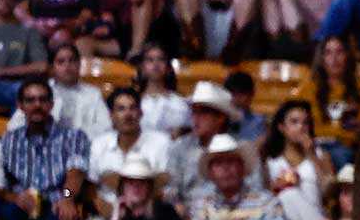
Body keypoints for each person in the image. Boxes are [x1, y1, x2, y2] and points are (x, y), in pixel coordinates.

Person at [0, 76, 96, 220]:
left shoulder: (72, 137)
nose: (37, 105)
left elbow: (75, 174)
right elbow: (0, 184)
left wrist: (67, 198)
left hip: (56, 204)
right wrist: (15, 198)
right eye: (30, 100)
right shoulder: (9, 140)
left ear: (51, 104)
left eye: (43, 99)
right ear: (20, 106)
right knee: (8, 214)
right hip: (21, 206)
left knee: (66, 219)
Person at [294, 33, 360, 168]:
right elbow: (294, 120)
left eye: (339, 52)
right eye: (328, 53)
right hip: (315, 146)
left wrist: (359, 128)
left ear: (347, 56)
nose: (334, 59)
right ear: (321, 58)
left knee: (342, 155)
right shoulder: (307, 87)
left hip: (348, 148)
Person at [6, 41, 109, 144]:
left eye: (72, 61)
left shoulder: (93, 93)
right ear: (52, 67)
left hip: (83, 146)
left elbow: (106, 126)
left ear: (79, 64)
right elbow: (13, 126)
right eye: (61, 62)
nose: (67, 66)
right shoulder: (40, 92)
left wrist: (75, 138)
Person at [165, 79, 250, 204]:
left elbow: (253, 189)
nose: (195, 118)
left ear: (220, 118)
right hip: (188, 215)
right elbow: (170, 188)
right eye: (194, 111)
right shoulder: (180, 147)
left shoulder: (241, 149)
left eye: (203, 112)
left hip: (234, 213)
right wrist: (177, 206)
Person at [259, 98, 329, 220]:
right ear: (282, 127)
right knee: (287, 195)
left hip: (316, 218)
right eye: (295, 122)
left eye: (305, 123)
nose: (301, 128)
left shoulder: (320, 155)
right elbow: (261, 197)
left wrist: (311, 155)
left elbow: (329, 190)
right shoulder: (270, 159)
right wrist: (276, 187)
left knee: (289, 195)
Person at [89, 83, 168, 211]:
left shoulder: (161, 142)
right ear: (111, 116)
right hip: (108, 212)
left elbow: (165, 182)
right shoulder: (99, 144)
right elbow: (88, 186)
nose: (128, 114)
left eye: (133, 108)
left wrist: (114, 181)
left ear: (141, 113)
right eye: (121, 109)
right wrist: (104, 208)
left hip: (149, 212)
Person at [0, 0, 46, 109]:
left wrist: (3, 71)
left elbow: (41, 66)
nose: (5, 0)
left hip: (17, 84)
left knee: (24, 92)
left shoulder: (28, 30)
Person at [133, 43, 188, 138]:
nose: (156, 64)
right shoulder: (133, 102)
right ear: (142, 67)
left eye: (161, 59)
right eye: (150, 60)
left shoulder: (178, 102)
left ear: (168, 67)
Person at [222, 69, 267, 141]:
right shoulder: (218, 120)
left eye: (241, 94)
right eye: (233, 94)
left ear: (251, 95)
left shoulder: (259, 122)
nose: (236, 99)